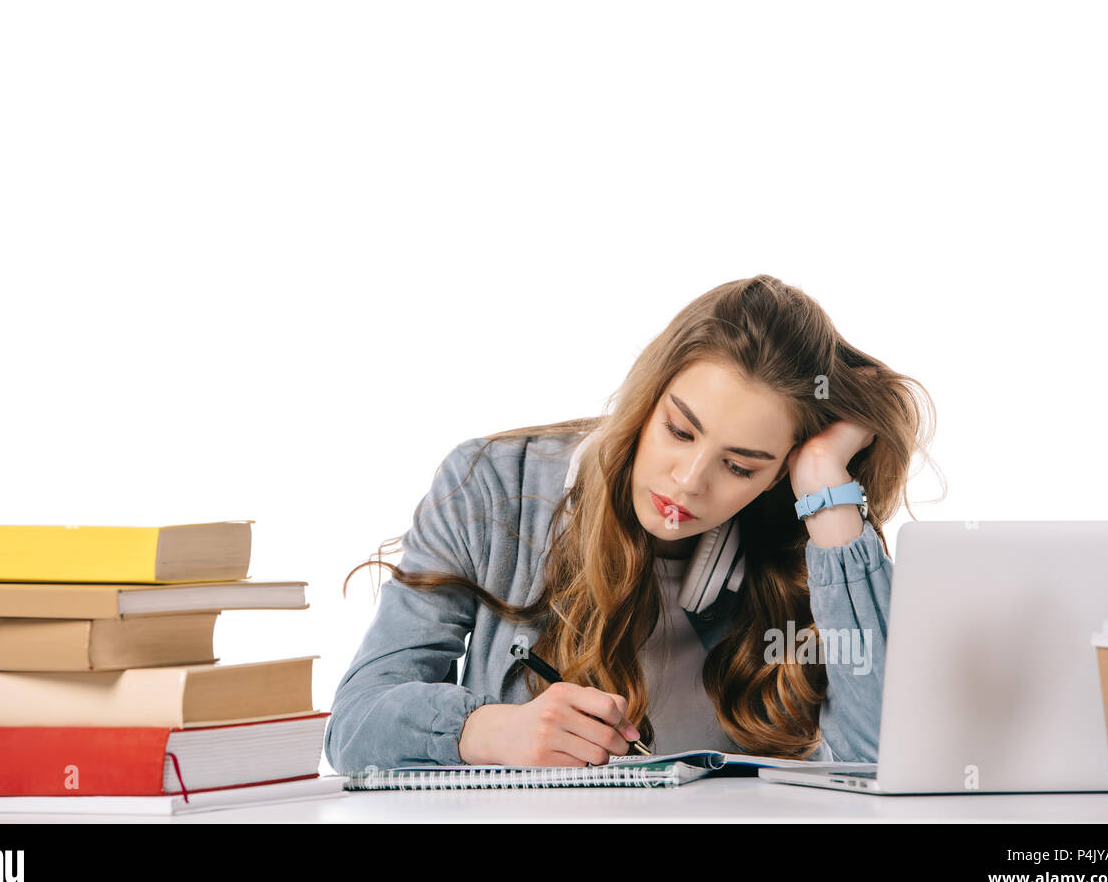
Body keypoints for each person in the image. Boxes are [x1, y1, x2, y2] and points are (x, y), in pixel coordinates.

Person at [324, 276, 941, 773]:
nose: (689, 481)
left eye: (739, 466)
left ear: (777, 476)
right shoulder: (493, 486)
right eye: (679, 430)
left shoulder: (806, 535)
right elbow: (354, 724)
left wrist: (828, 491)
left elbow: (884, 759)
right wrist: (488, 728)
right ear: (648, 399)